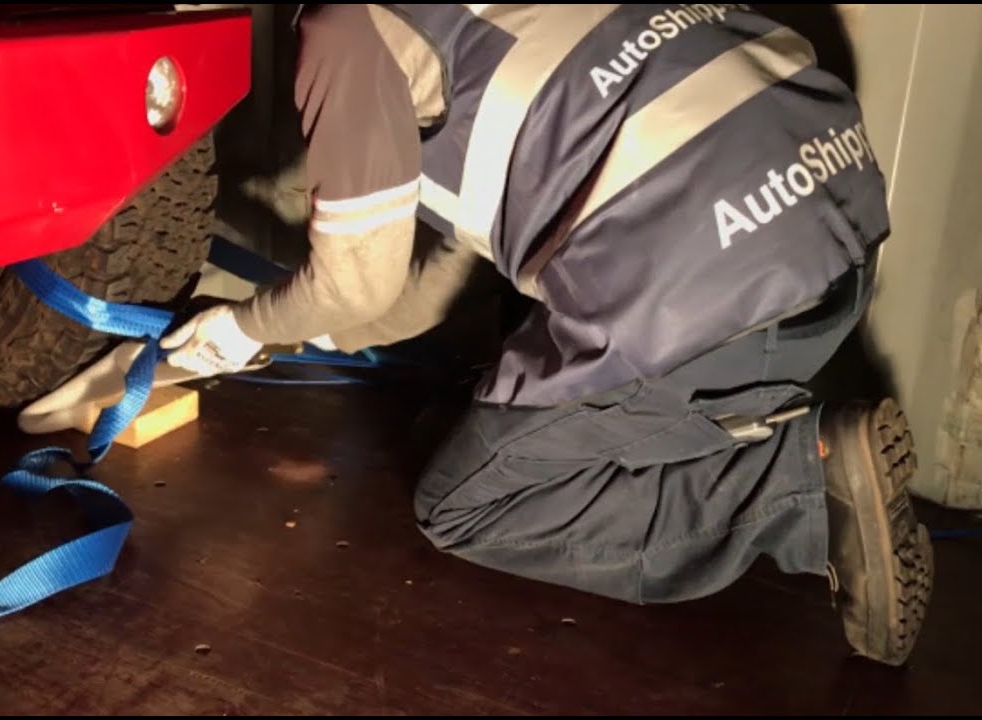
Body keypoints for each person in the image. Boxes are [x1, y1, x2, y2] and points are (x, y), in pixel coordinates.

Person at [159, 3, 934, 666]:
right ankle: (722, 417)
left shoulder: (346, 27)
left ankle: (798, 487)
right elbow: (419, 284)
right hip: (843, 230)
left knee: (465, 504)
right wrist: (312, 327)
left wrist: (241, 325)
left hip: (713, 293)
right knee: (485, 385)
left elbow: (358, 280)